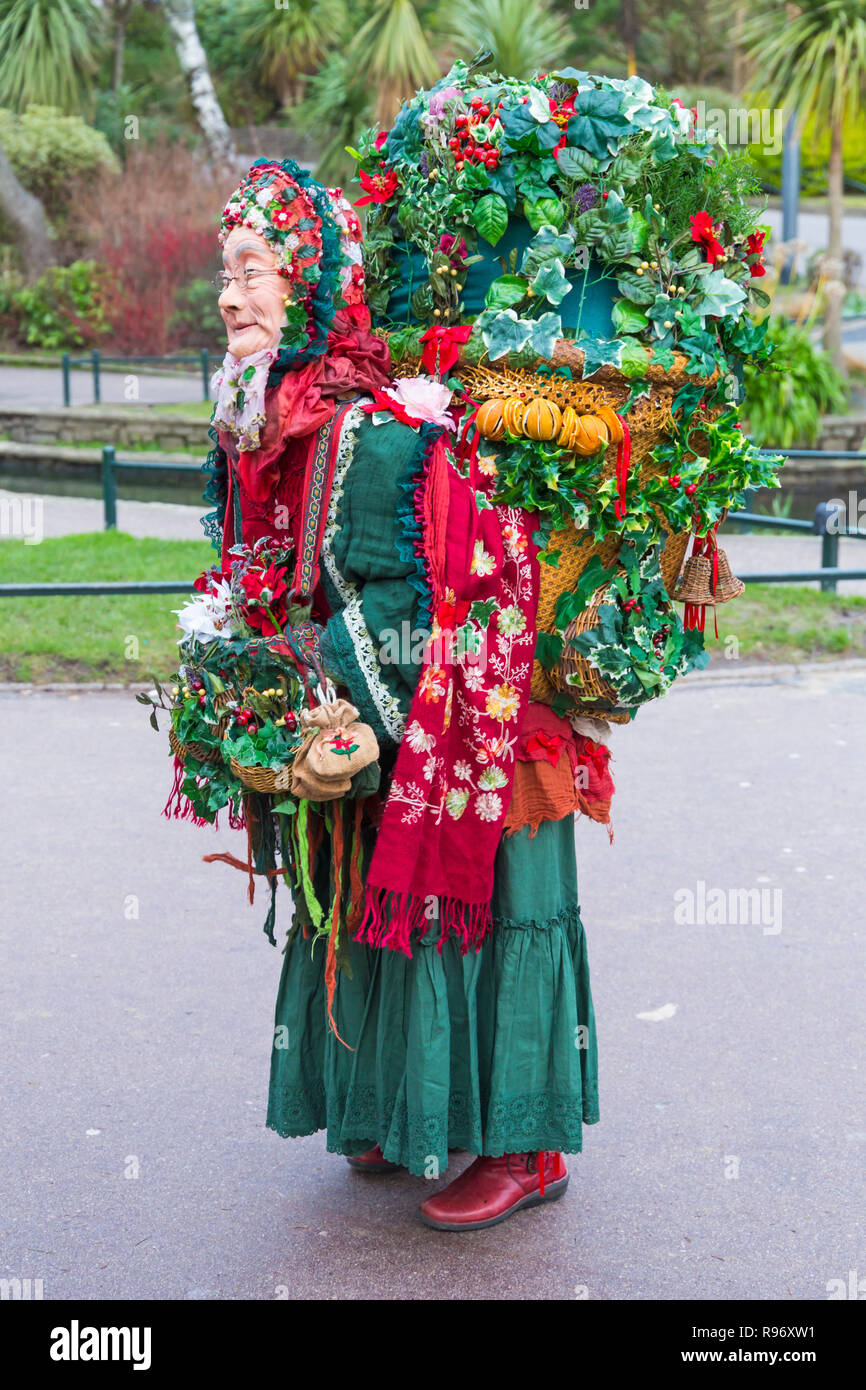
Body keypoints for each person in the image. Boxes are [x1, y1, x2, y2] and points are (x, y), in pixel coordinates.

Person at [203, 158, 601, 1230]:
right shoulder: (269, 424)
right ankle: (403, 1108)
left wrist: (304, 692)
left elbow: (414, 601)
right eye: (225, 273)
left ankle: (527, 1144)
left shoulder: (368, 429)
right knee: (378, 900)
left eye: (255, 270)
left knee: (497, 911)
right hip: (384, 711)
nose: (232, 295)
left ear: (313, 289)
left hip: (480, 725)